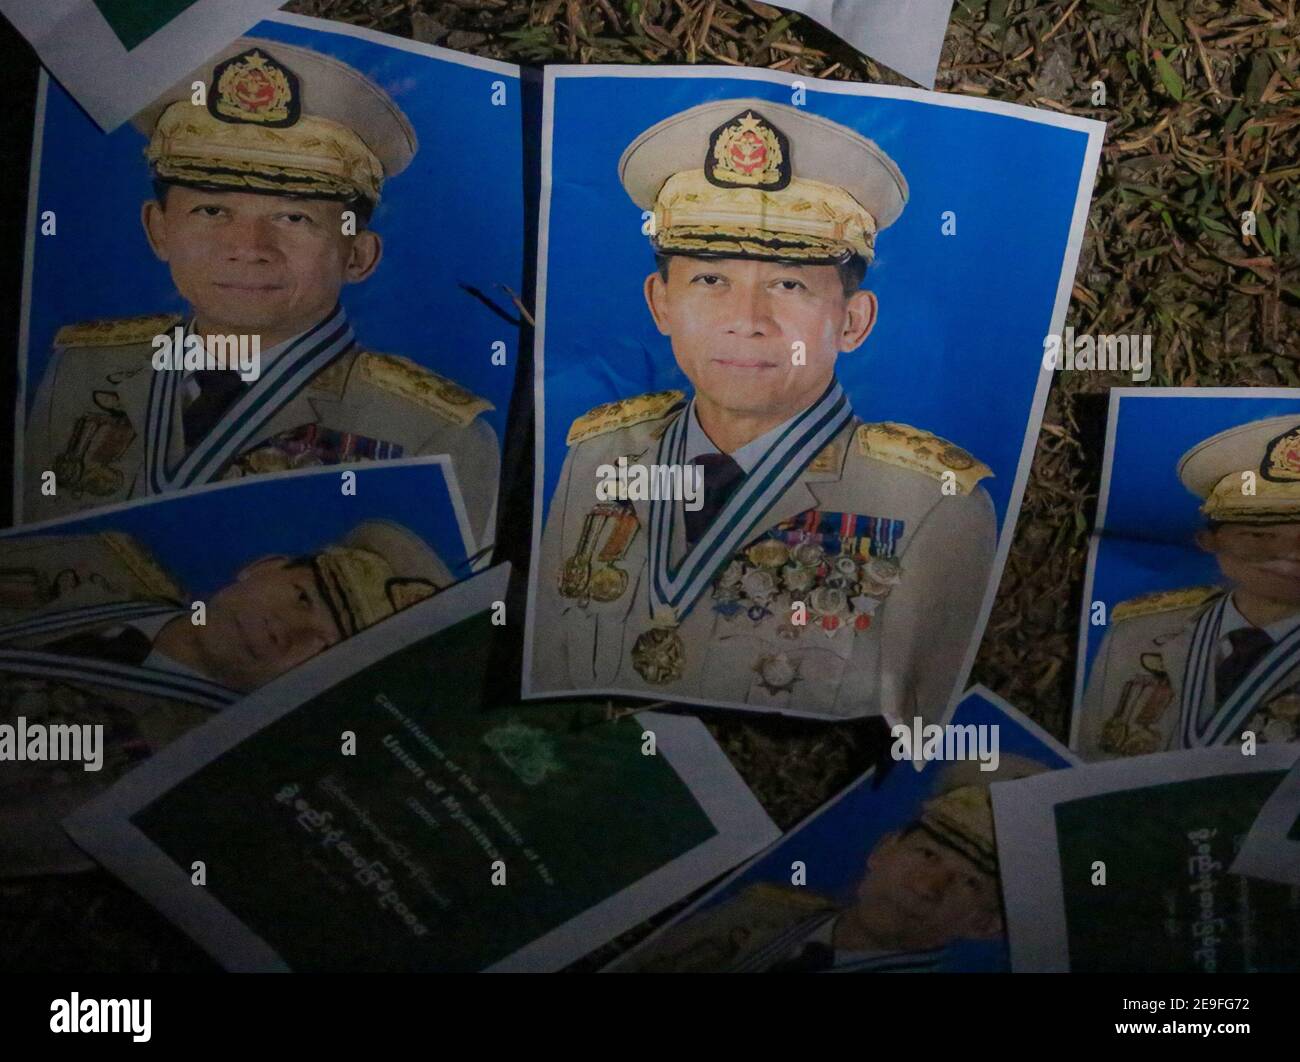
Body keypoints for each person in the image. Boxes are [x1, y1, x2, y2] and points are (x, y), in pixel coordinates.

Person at [532, 99, 996, 718]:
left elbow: (913, 752)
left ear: (853, 321)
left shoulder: (931, 505)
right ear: (660, 302)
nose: (746, 322)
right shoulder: (597, 455)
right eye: (709, 281)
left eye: (789, 284)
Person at [23, 38, 499, 551]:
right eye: (211, 212)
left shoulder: (436, 437)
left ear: (358, 255)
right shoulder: (81, 369)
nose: (248, 249)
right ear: (157, 230)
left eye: (293, 218)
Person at [0, 519, 450, 876]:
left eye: (325, 651)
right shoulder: (100, 559)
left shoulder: (165, 787)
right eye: (303, 598)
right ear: (263, 565)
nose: (290, 633)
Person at [621, 762, 1031, 973]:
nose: (927, 885)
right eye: (927, 855)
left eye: (970, 883)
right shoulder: (762, 910)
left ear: (987, 925)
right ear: (883, 850)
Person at [1078, 415, 1300, 759]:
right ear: (1207, 540)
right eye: (1260, 535)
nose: (1288, 555)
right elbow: (1089, 762)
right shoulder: (1138, 632)